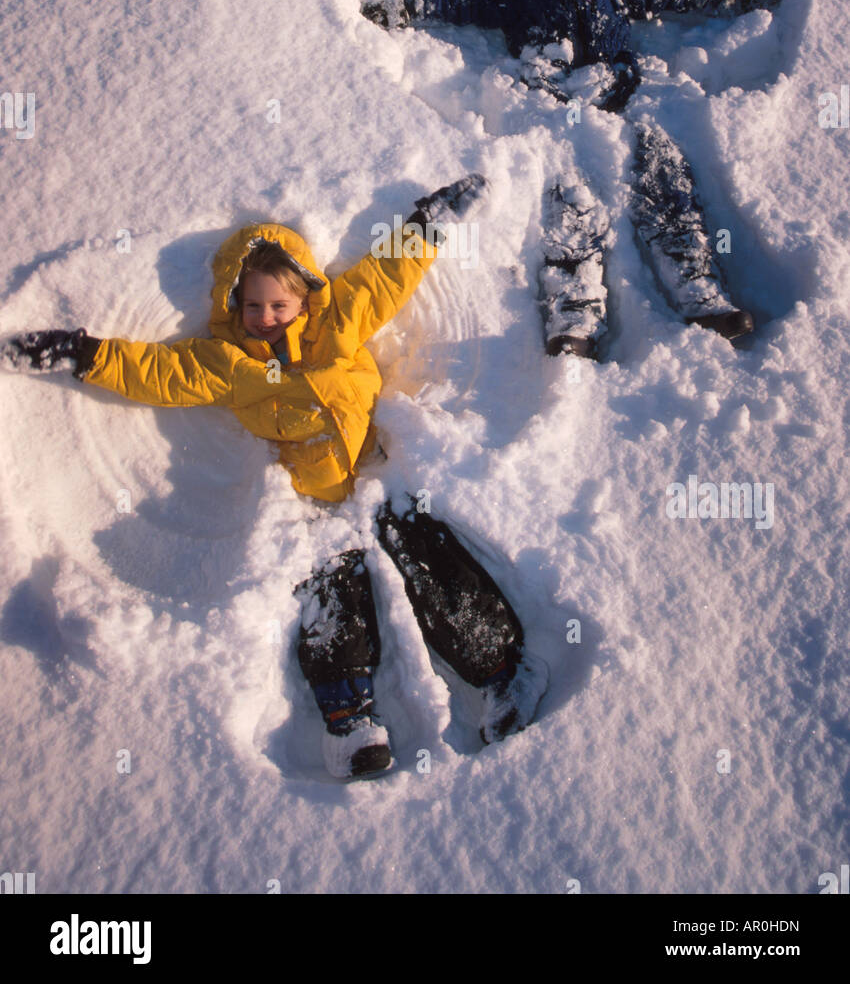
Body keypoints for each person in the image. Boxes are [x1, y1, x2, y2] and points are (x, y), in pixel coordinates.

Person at [1, 175, 547, 780]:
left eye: (278, 305)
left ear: (304, 299)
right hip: (311, 503)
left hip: (379, 474)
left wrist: (429, 221)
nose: (265, 317)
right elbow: (153, 370)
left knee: (430, 559)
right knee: (331, 594)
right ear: (234, 305)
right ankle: (349, 720)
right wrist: (80, 353)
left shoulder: (336, 319)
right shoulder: (226, 363)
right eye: (252, 305)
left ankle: (500, 673)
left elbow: (388, 274)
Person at [361, 0, 783, 356]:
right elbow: (458, 0)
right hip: (553, 107)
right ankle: (575, 315)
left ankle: (700, 291)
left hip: (623, 96)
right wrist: (407, 8)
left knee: (664, 176)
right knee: (568, 199)